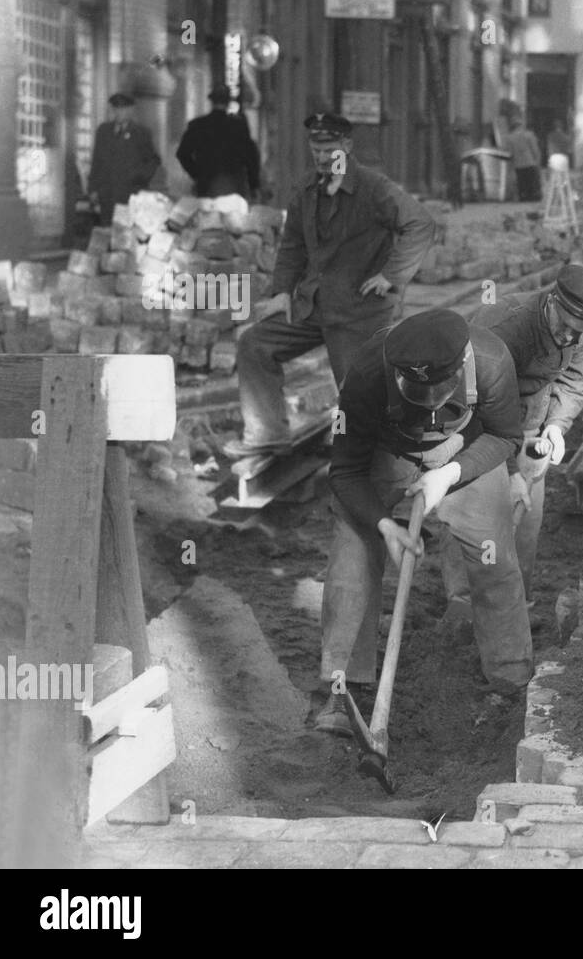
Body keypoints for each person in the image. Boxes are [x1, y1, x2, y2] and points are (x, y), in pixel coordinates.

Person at [314, 309, 531, 733]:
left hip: (465, 454)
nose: (428, 403)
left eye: (438, 393)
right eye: (416, 392)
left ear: (460, 368)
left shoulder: (491, 360)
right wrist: (384, 524)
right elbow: (345, 471)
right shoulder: (364, 373)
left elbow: (506, 436)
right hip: (386, 453)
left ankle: (511, 682)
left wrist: (448, 475)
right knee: (350, 559)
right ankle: (344, 692)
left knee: (495, 560)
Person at [225, 112, 436, 460]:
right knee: (255, 344)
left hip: (360, 313)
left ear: (347, 147)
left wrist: (392, 276)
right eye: (316, 148)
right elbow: (292, 245)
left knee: (358, 394)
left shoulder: (374, 187)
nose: (322, 156)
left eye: (330, 148)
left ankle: (381, 462)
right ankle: (267, 434)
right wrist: (282, 293)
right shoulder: (307, 190)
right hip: (314, 305)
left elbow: (420, 224)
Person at [433, 265, 583, 634]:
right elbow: (477, 406)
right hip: (473, 419)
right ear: (550, 304)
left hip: (530, 417)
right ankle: (464, 603)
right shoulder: (502, 326)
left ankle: (513, 603)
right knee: (469, 510)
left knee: (524, 517)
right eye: (562, 327)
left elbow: (578, 381)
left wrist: (556, 427)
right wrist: (511, 473)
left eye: (576, 333)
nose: (568, 338)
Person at [175, 85, 262, 200]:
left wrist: (197, 174)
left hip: (206, 185)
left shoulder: (198, 125)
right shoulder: (238, 125)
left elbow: (182, 154)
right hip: (234, 185)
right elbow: (251, 157)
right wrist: (253, 185)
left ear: (212, 101)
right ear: (228, 102)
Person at [88, 92, 161, 225]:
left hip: (130, 193)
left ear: (131, 110)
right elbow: (96, 161)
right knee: (107, 230)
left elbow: (153, 161)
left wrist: (139, 177)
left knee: (125, 234)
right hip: (107, 193)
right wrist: (93, 188)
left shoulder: (141, 133)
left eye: (123, 109)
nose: (118, 113)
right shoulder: (103, 131)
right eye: (115, 109)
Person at [508, 120, 542, 201]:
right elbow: (534, 149)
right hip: (530, 162)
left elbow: (510, 152)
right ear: (521, 126)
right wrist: (537, 160)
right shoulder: (529, 135)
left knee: (521, 182)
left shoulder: (510, 137)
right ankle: (533, 197)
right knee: (532, 181)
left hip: (518, 164)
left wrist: (511, 165)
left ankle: (523, 197)